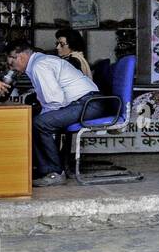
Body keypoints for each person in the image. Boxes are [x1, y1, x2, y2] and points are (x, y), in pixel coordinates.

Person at [6, 42, 102, 187]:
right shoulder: (38, 64)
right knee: (35, 120)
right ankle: (43, 169)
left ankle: (54, 172)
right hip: (83, 103)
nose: (11, 67)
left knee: (39, 123)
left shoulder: (40, 65)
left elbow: (55, 100)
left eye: (12, 62)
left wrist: (43, 116)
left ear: (22, 56)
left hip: (88, 104)